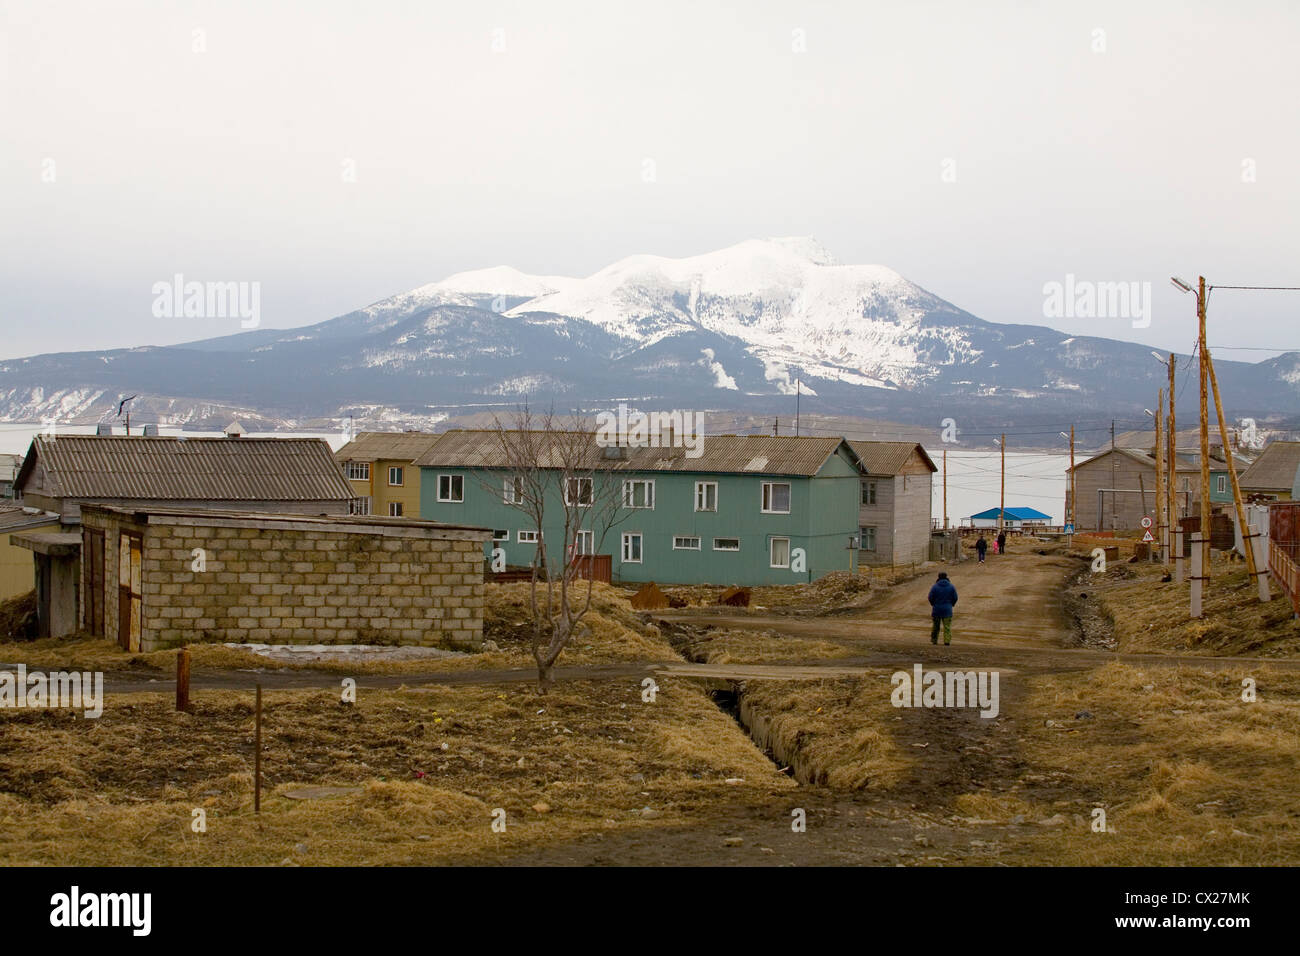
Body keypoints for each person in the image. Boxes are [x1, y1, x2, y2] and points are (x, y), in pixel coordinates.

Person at [928, 571, 958, 645]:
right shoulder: (951, 586)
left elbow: (930, 597)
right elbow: (955, 597)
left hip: (936, 609)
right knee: (947, 627)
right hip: (947, 609)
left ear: (938, 577)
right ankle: (947, 641)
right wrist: (952, 604)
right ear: (946, 577)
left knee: (936, 626)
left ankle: (934, 640)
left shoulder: (934, 587)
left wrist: (933, 604)